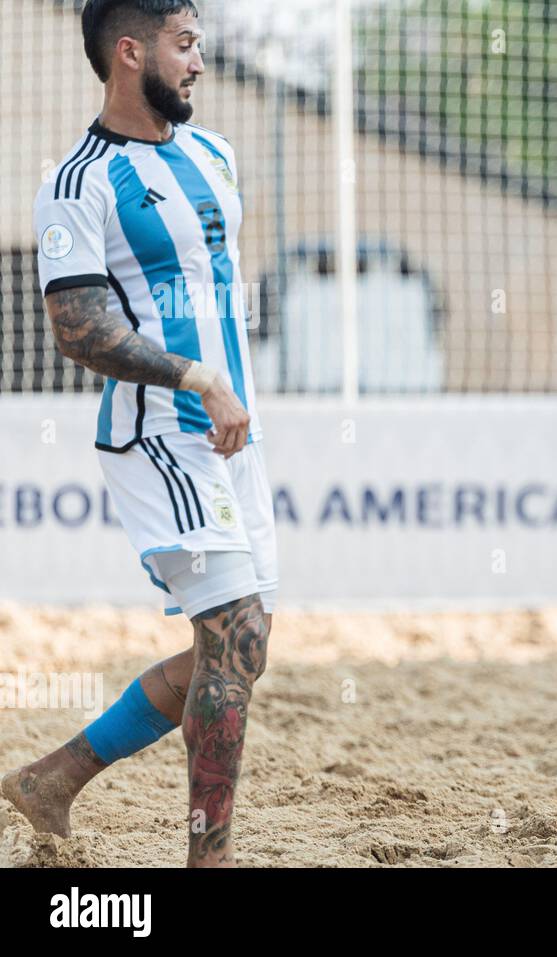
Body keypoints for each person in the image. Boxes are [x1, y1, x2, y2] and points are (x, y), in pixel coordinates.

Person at [3, 0, 276, 867]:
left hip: (237, 434)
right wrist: (197, 378)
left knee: (232, 651)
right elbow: (79, 328)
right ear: (131, 51)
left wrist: (230, 385)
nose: (198, 63)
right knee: (237, 634)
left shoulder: (214, 153)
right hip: (161, 433)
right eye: (183, 44)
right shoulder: (76, 182)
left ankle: (52, 778)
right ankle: (211, 860)